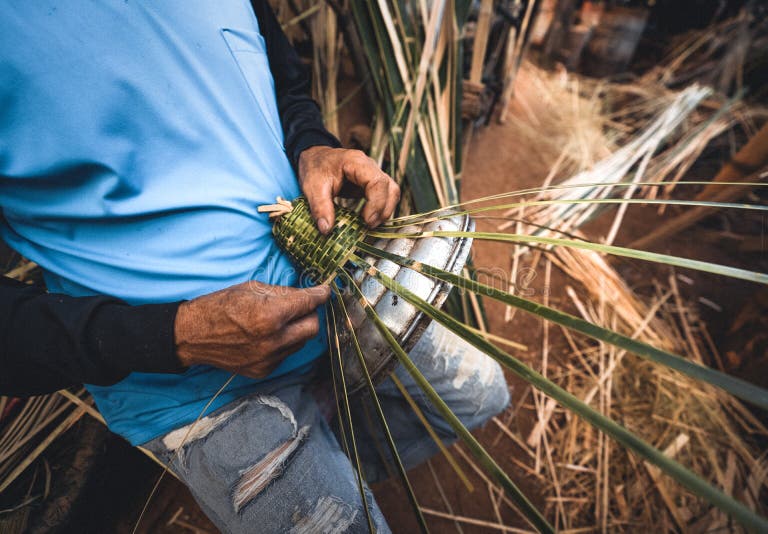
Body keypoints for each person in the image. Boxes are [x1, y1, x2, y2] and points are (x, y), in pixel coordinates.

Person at [0, 2, 509, 532]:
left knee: (480, 392)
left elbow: (281, 80)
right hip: (196, 386)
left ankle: (332, 442)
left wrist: (312, 144)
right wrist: (178, 335)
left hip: (340, 290)